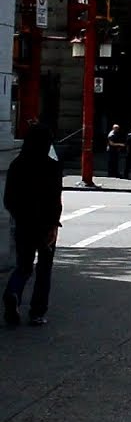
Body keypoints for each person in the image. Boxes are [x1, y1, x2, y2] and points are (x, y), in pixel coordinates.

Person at [3, 124, 62, 326]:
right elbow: (55, 200)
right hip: (46, 223)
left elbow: (8, 199)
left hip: (24, 223)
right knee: (44, 269)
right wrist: (54, 225)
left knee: (24, 266)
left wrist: (19, 216)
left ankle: (13, 292)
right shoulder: (52, 167)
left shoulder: (17, 165)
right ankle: (37, 312)